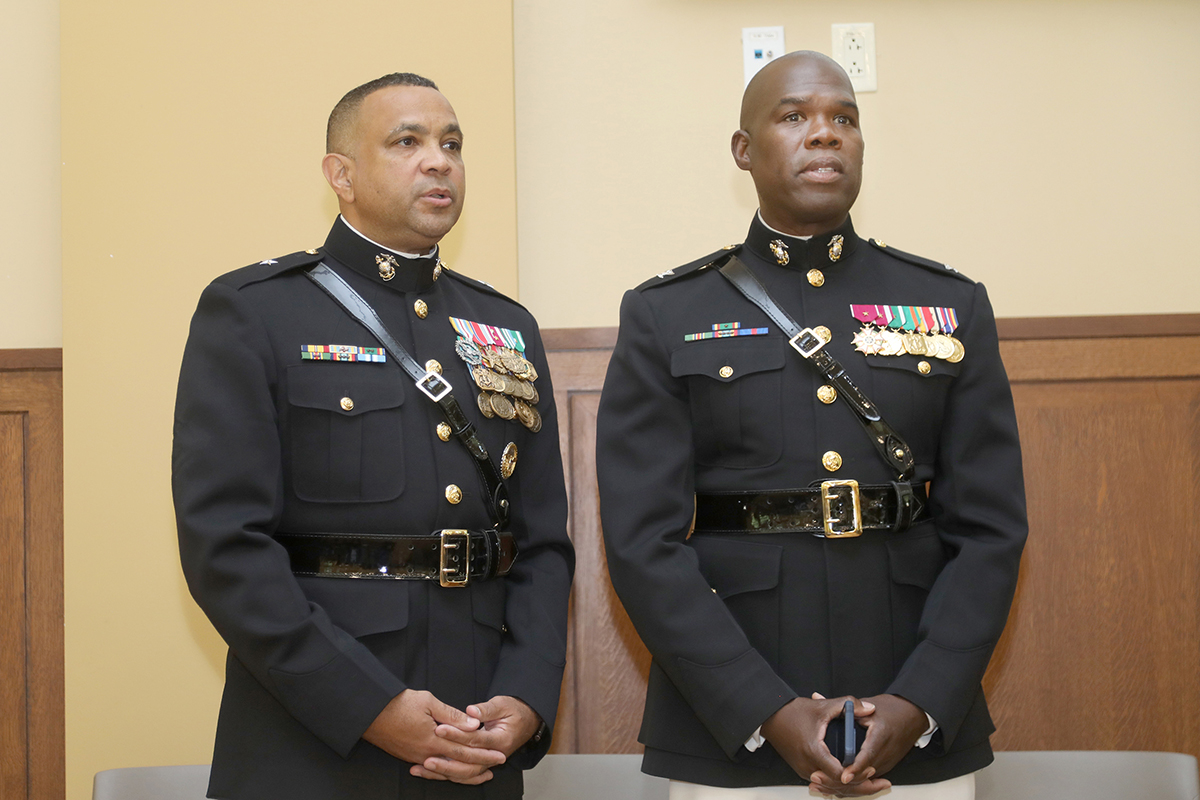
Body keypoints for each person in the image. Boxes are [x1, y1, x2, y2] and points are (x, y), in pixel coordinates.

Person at [596, 51, 1026, 799]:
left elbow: (990, 529)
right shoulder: (668, 313)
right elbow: (642, 542)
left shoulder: (948, 303)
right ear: (744, 150)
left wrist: (922, 700)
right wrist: (761, 708)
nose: (825, 135)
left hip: (912, 723)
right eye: (794, 117)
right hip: (732, 729)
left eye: (844, 120)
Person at [173, 72, 574, 800]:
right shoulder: (256, 312)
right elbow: (225, 549)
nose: (439, 160)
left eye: (451, 143)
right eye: (407, 142)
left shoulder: (505, 328)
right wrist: (369, 706)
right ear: (341, 175)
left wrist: (527, 697)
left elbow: (543, 543)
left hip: (474, 732)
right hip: (312, 739)